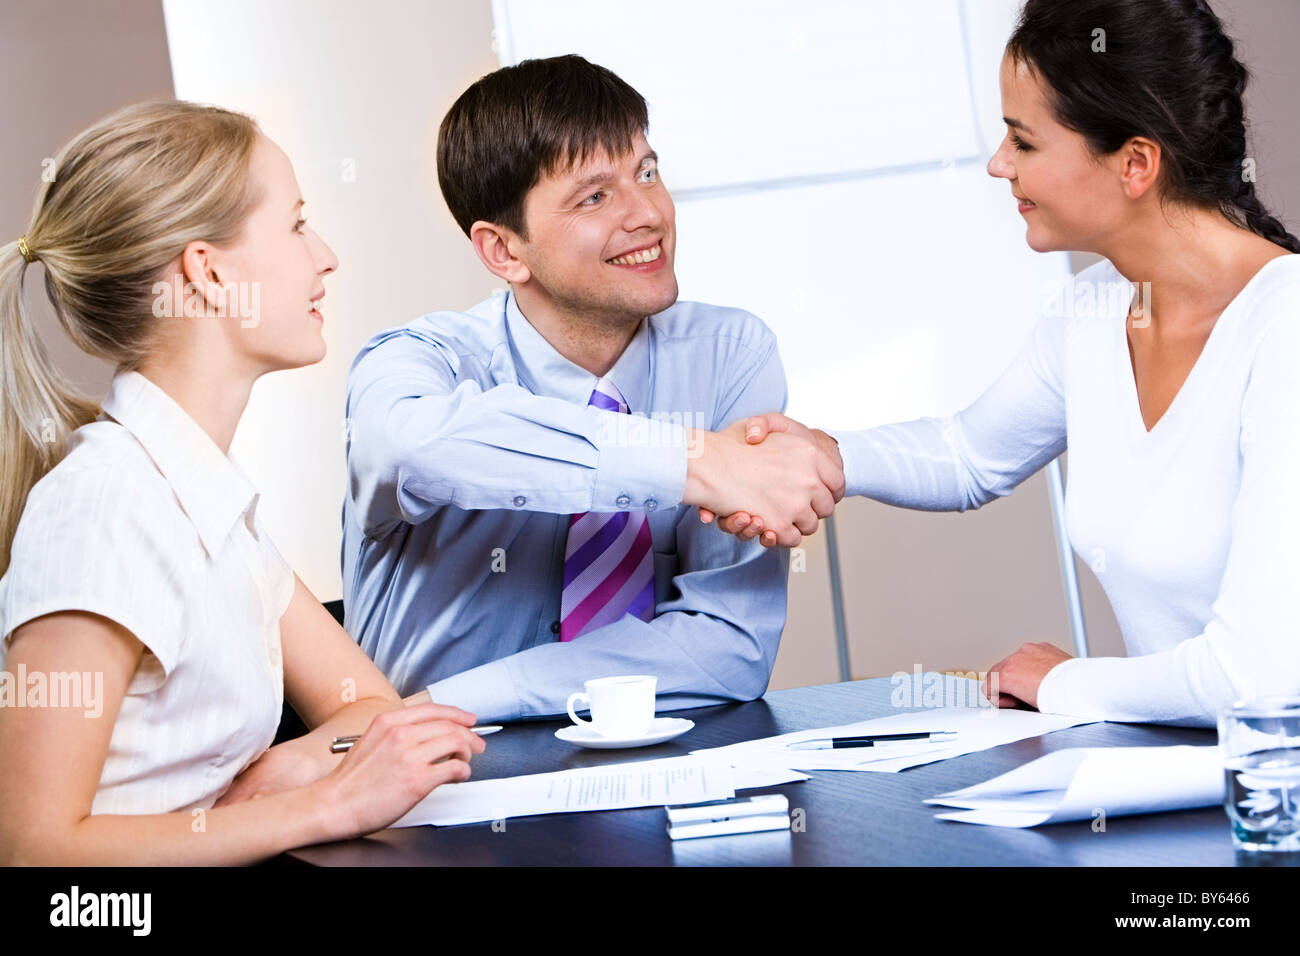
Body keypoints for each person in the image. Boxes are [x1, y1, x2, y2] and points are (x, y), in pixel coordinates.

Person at [709, 0, 1300, 728]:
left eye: (1023, 141)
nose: (998, 165)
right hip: (1194, 784)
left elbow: (1259, 676)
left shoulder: (1285, 328)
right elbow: (968, 455)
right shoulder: (1092, 310)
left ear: (1136, 163)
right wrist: (824, 455)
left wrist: (1068, 682)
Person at [0, 100, 485, 865]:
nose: (324, 255)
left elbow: (370, 711)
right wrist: (326, 802)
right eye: (295, 224)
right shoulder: (104, 506)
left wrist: (288, 765)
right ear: (210, 272)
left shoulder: (204, 494)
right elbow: (34, 849)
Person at [342, 55, 843, 722]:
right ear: (503, 252)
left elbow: (729, 644)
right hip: (433, 783)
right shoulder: (420, 362)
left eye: (648, 172)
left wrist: (451, 701)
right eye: (595, 196)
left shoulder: (728, 355)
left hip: (619, 758)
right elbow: (419, 451)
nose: (648, 214)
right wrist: (693, 462)